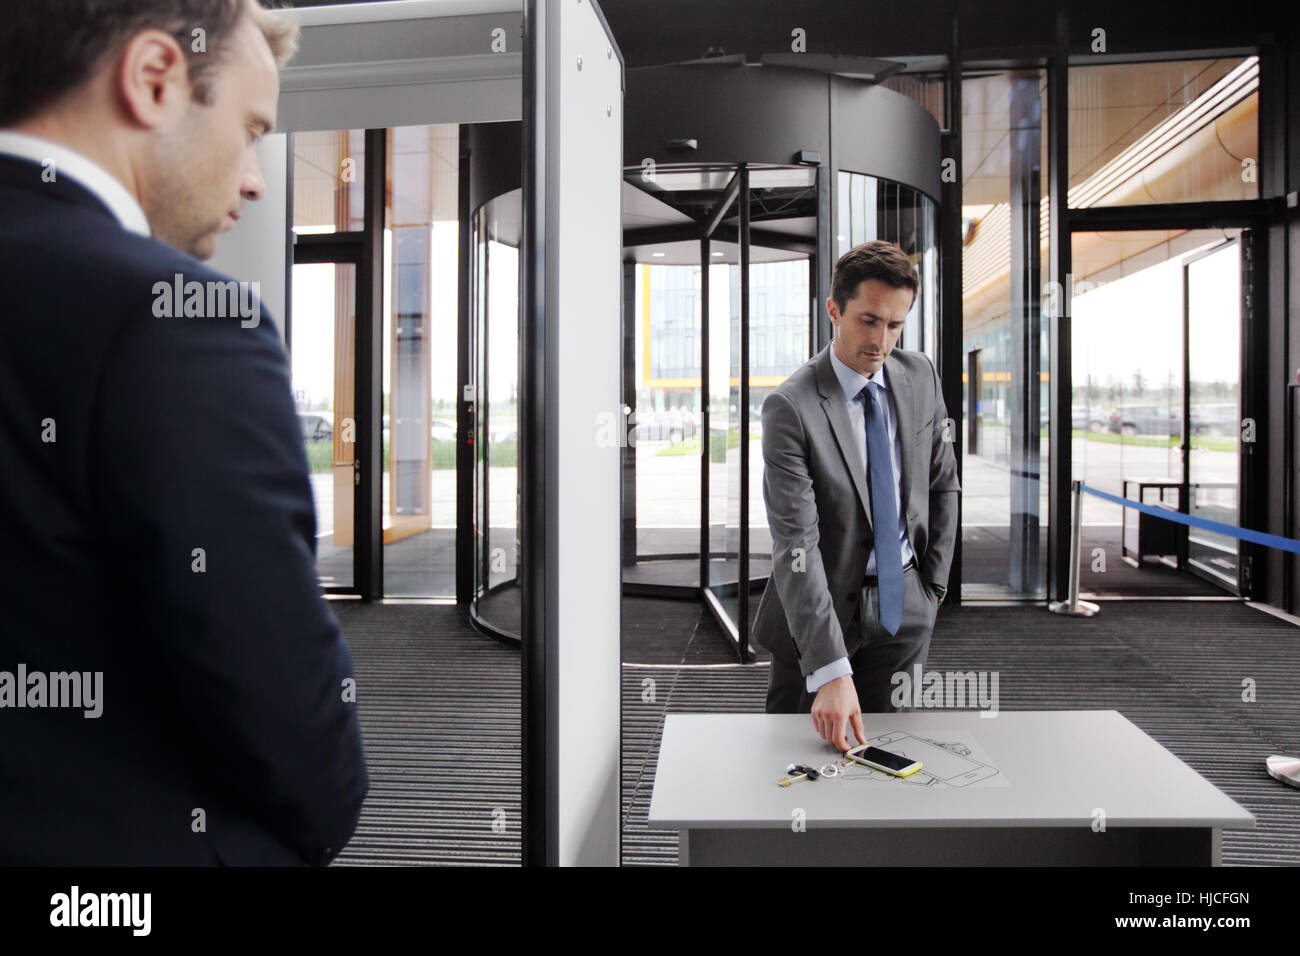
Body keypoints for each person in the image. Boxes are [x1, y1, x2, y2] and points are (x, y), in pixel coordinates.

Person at [0, 0, 368, 865]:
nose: (255, 179)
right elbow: (289, 717)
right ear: (155, 78)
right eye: (249, 130)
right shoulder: (172, 319)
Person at [753, 240, 960, 752]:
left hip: (903, 607)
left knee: (891, 759)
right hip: (819, 615)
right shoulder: (791, 407)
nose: (881, 340)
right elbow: (795, 544)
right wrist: (828, 666)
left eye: (894, 325)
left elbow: (943, 486)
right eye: (868, 320)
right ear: (834, 310)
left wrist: (930, 590)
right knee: (797, 768)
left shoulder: (920, 376)